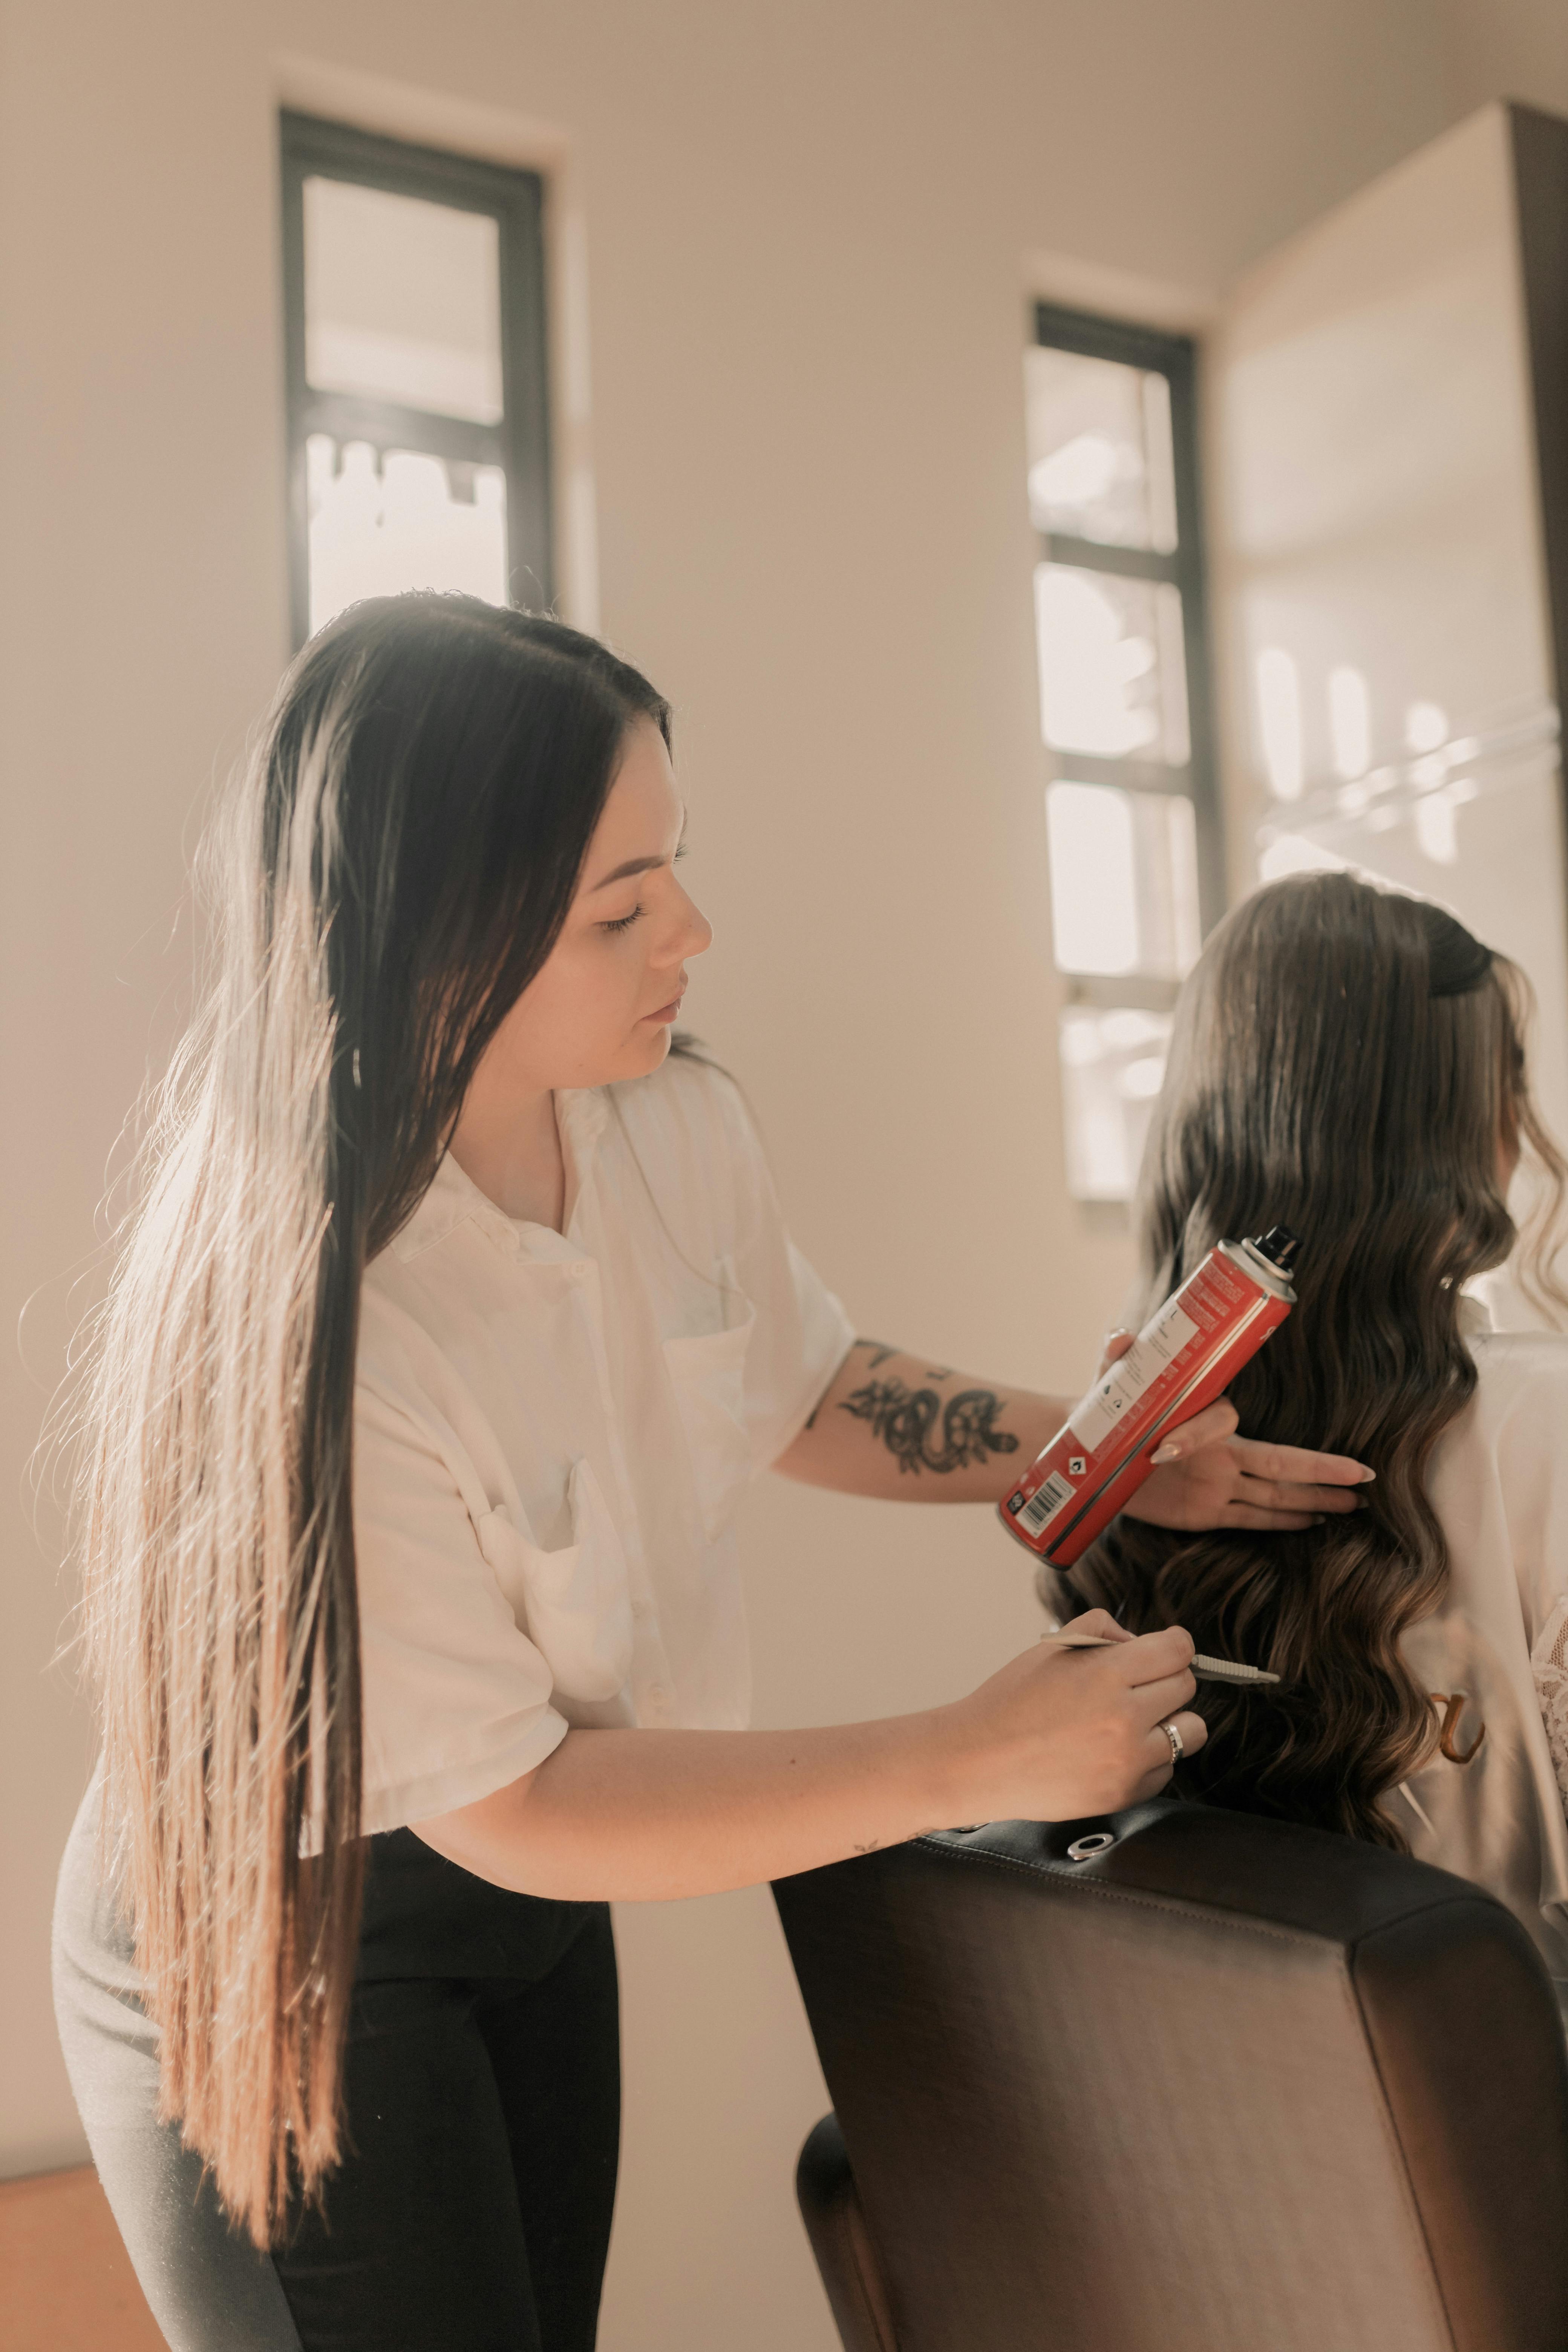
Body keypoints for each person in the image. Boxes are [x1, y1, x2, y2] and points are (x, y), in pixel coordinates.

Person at [51, 597, 1372, 2352]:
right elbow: (508, 1802)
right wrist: (966, 1758)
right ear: (442, 929)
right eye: (623, 906)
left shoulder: (666, 1121)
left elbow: (804, 1384)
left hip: (535, 1896)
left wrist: (1104, 1455)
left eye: (673, 866)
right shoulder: (331, 1314)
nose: (693, 930)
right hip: (286, 1932)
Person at [1043, 870, 1568, 2021]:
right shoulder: (1544, 1434)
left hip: (1242, 2142)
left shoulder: (1124, 1462)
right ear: (1444, 1123)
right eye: (1507, 1078)